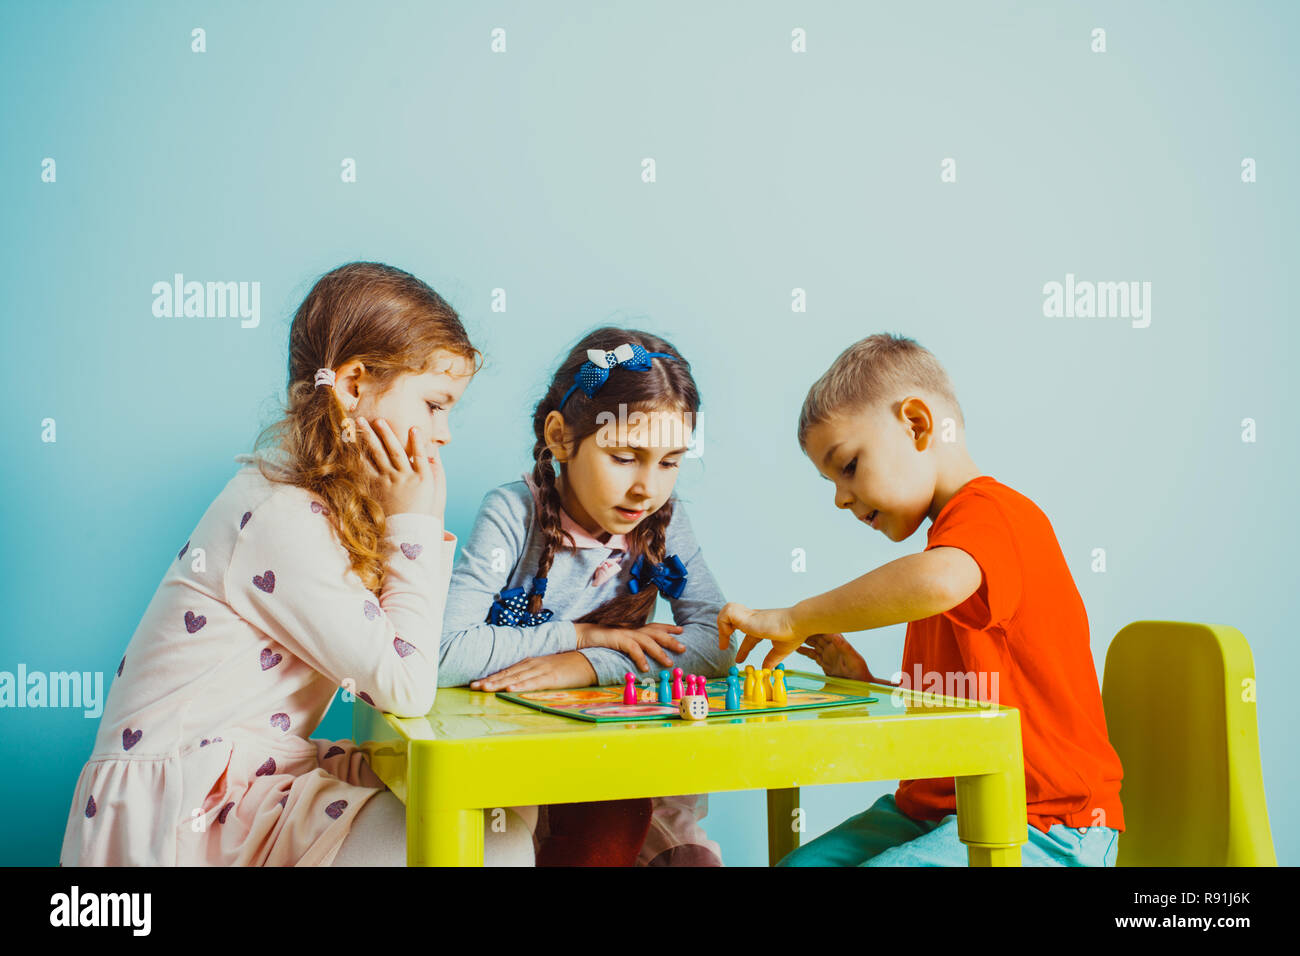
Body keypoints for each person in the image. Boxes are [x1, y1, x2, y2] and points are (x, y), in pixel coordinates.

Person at [59, 261, 533, 866]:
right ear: (354, 386)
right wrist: (414, 519)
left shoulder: (318, 506)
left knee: (497, 811)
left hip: (251, 774)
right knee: (491, 842)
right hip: (187, 814)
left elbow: (389, 673)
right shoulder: (281, 514)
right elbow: (404, 684)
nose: (444, 434)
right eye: (435, 404)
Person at [718, 332, 1124, 866]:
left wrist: (798, 616)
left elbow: (938, 582)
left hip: (1045, 823)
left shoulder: (992, 518)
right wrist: (867, 687)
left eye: (848, 466)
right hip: (933, 812)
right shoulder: (948, 545)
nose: (840, 498)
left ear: (916, 424)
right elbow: (952, 713)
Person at [439, 328, 734, 865]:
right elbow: (444, 653)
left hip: (615, 760)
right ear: (560, 436)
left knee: (674, 848)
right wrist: (574, 634)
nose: (649, 487)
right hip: (512, 762)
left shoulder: (667, 522)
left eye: (669, 462)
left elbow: (716, 645)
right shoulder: (513, 514)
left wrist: (586, 662)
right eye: (625, 456)